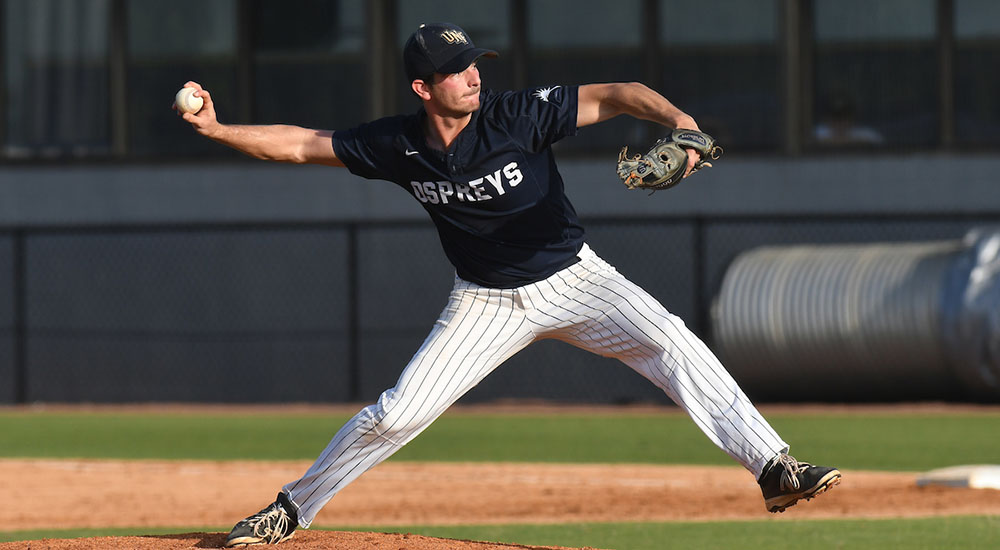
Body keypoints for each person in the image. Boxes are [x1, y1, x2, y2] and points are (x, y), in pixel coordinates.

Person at [177, 22, 841, 547]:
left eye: (474, 64)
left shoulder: (519, 114)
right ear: (422, 88)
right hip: (485, 302)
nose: (472, 76)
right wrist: (214, 128)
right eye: (456, 70)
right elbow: (298, 144)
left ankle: (774, 470)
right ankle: (293, 509)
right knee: (396, 413)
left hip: (576, 278)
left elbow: (619, 94)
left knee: (669, 338)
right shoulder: (398, 144)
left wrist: (684, 127)